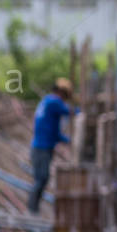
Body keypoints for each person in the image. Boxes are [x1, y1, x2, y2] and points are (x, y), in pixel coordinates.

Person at [28, 77, 75, 213]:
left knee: (42, 178)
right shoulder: (53, 102)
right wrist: (83, 113)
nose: (64, 100)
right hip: (41, 148)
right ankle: (32, 209)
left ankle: (33, 209)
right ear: (61, 92)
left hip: (43, 147)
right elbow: (70, 112)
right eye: (65, 96)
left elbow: (55, 134)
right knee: (41, 178)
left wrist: (68, 140)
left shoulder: (47, 102)